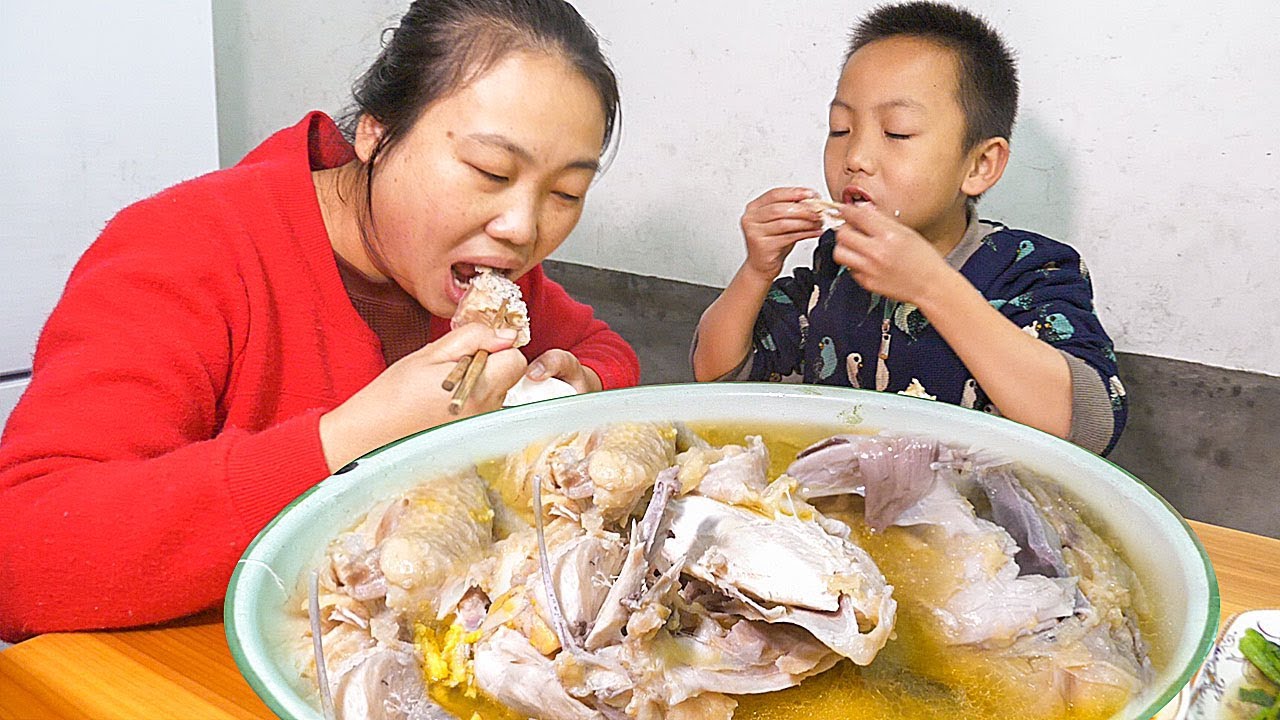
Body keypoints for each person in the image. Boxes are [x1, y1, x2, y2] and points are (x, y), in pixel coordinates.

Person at [0, 0, 638, 642]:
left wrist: (574, 387)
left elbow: (601, 350)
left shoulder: (484, 269)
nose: (523, 227)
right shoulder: (186, 249)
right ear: (375, 134)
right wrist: (351, 438)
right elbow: (22, 557)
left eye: (565, 195)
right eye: (491, 172)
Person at [692, 1, 1127, 456]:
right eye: (840, 129)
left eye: (897, 133)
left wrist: (932, 287)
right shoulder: (836, 268)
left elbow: (1088, 426)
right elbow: (718, 374)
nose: (855, 156)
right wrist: (757, 270)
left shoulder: (1028, 270)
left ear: (980, 165)